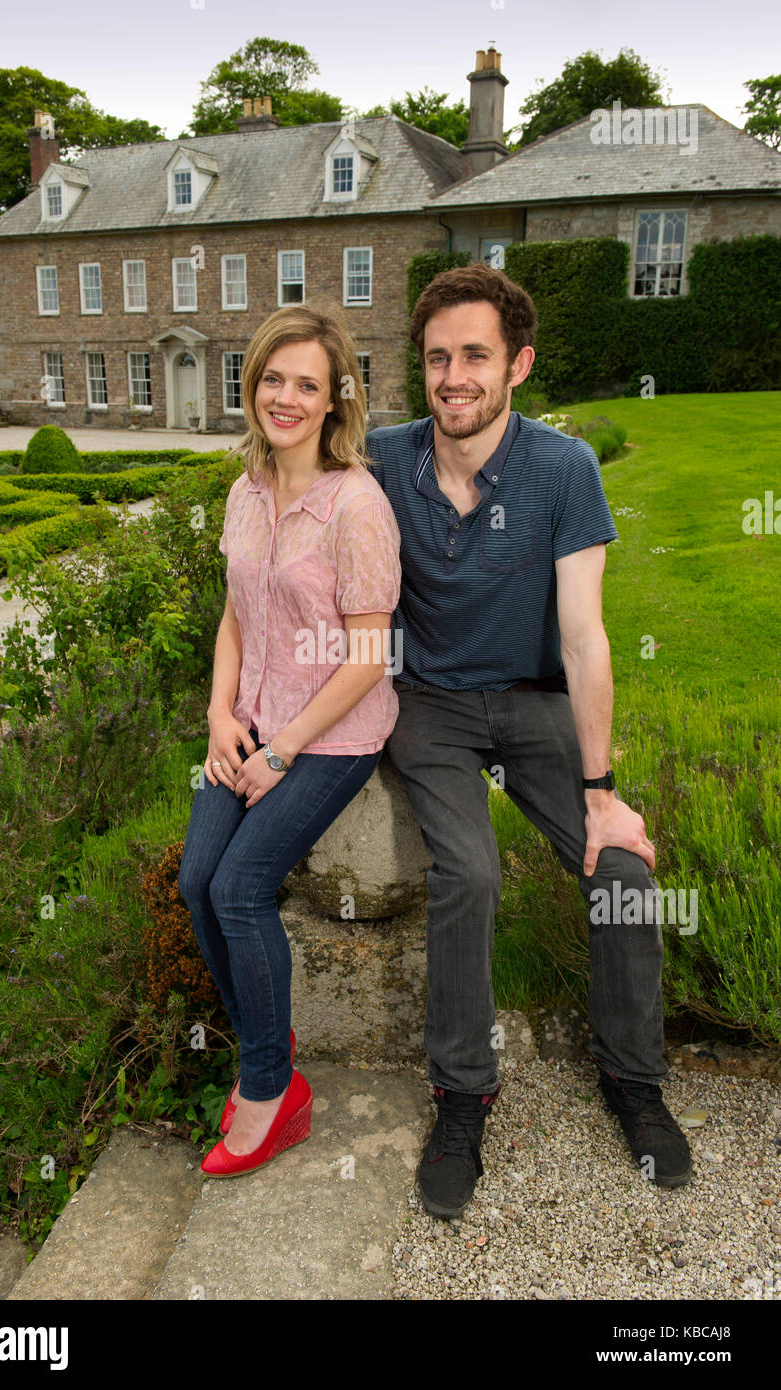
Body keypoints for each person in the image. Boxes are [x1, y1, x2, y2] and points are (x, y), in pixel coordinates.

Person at [364, 262, 692, 1221]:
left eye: (474, 356)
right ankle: (462, 1096)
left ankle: (633, 1081)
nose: (452, 377)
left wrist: (602, 787)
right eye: (435, 358)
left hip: (538, 703)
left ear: (518, 365)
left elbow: (586, 638)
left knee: (624, 874)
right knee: (470, 874)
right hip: (429, 706)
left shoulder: (561, 468)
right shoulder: (385, 459)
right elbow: (287, 492)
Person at [177, 304, 401, 1178]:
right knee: (197, 881)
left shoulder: (357, 503)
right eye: (274, 377)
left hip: (335, 731)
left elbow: (371, 656)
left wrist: (281, 752)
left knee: (239, 889)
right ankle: (268, 1041)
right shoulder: (243, 490)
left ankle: (270, 1087)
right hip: (253, 719)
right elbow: (237, 613)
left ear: (335, 399)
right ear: (253, 383)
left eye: (308, 383)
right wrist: (220, 716)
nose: (286, 396)